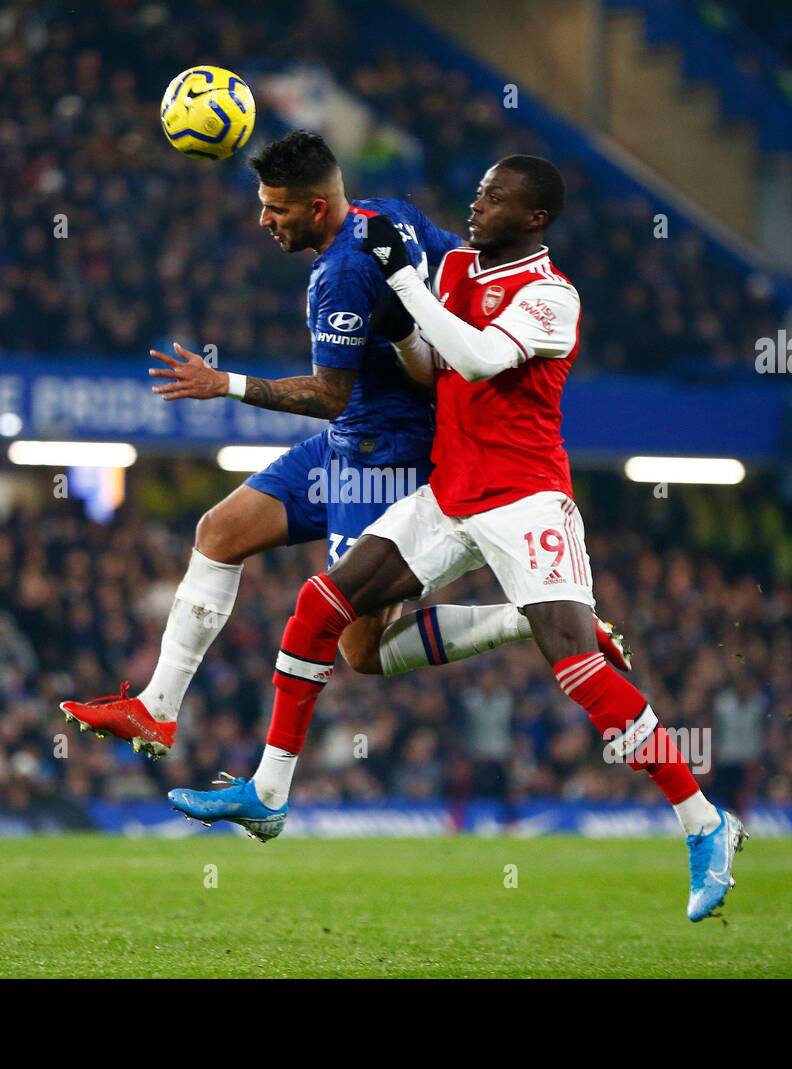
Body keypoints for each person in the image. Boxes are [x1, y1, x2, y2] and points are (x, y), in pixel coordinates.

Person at [169, 155, 746, 922]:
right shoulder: (459, 271)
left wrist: (404, 281)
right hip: (449, 493)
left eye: (494, 197)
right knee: (321, 606)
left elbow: (478, 358)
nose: (476, 206)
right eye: (475, 192)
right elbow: (432, 362)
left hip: (527, 502)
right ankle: (268, 792)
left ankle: (705, 823)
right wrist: (398, 316)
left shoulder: (552, 295)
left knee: (577, 667)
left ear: (534, 216)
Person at [59, 131, 629, 756]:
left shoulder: (340, 275)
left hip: (388, 455)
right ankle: (157, 709)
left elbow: (329, 394)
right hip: (346, 441)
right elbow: (463, 264)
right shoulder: (393, 215)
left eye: (276, 209)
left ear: (317, 208)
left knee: (362, 650)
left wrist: (227, 384)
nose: (264, 220)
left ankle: (533, 618)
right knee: (219, 532)